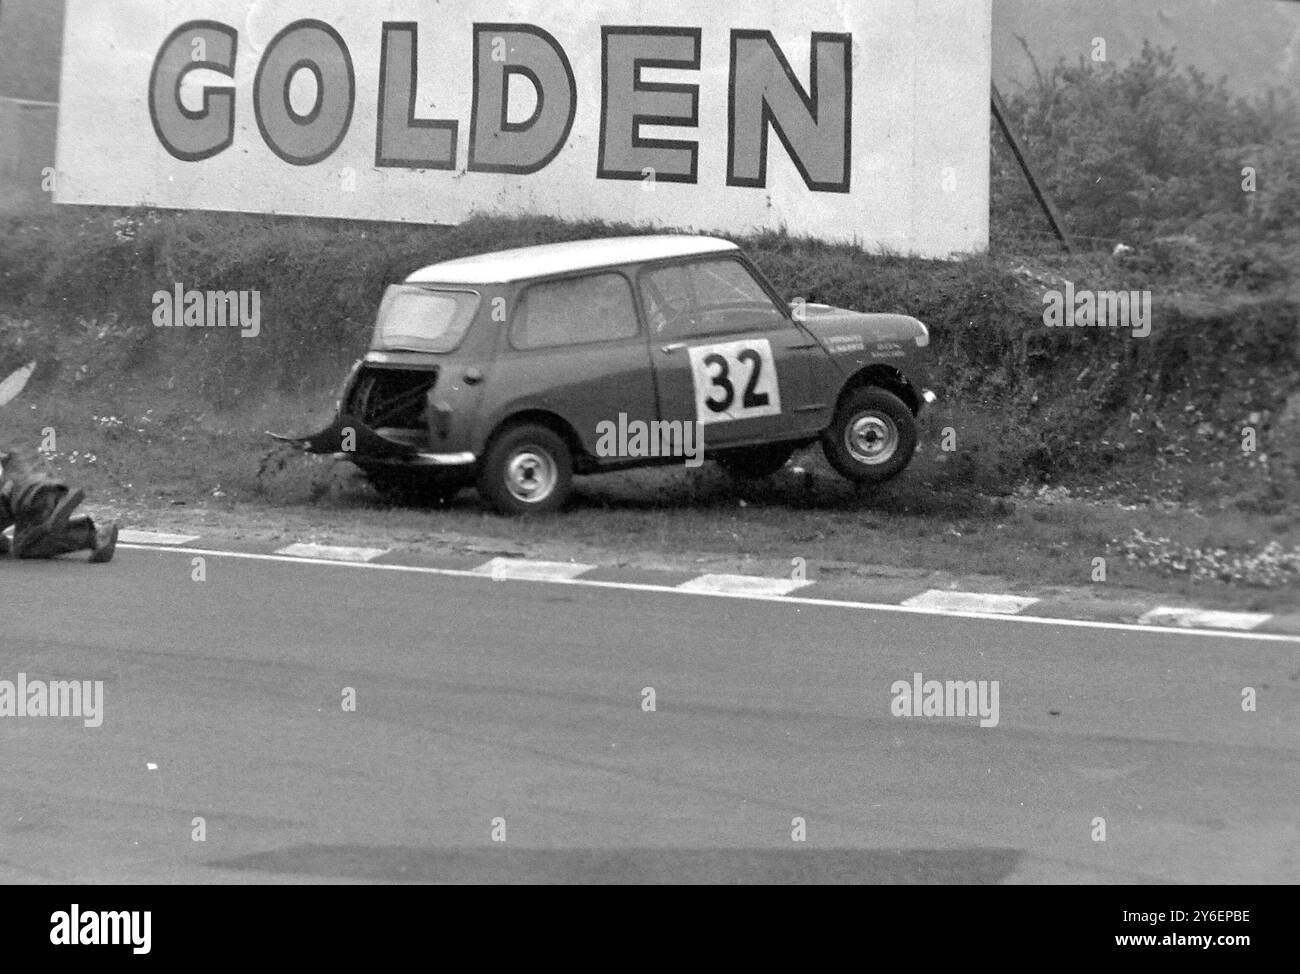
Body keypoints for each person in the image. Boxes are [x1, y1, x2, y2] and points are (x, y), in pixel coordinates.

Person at [0, 448, 119, 562]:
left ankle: (92, 535)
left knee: (25, 546)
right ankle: (94, 533)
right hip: (34, 478)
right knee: (25, 540)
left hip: (22, 490)